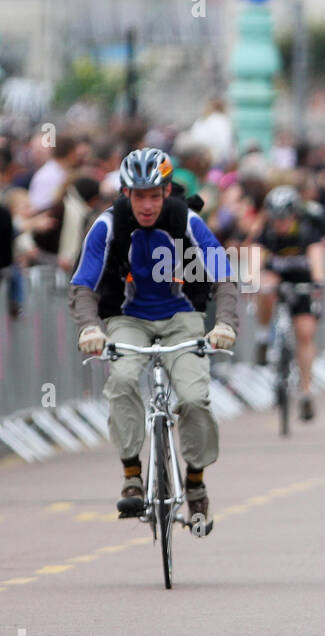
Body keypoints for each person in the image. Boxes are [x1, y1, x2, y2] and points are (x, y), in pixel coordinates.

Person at [70, 148, 238, 531]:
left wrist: (225, 323)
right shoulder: (107, 225)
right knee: (124, 380)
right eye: (138, 195)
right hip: (127, 319)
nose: (147, 205)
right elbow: (82, 285)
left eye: (154, 195)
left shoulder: (187, 220)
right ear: (126, 194)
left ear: (166, 192)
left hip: (182, 318)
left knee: (194, 397)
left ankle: (195, 483)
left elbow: (224, 276)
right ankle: (131, 471)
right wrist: (89, 328)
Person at [257, 185, 325, 421]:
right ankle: (263, 334)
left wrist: (318, 283)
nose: (280, 223)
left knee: (305, 334)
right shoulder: (266, 234)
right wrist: (252, 279)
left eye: (285, 218)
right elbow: (254, 260)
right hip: (276, 282)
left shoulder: (307, 232)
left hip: (302, 285)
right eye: (276, 219)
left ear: (294, 215)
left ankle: (306, 391)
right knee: (264, 285)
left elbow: (317, 261)